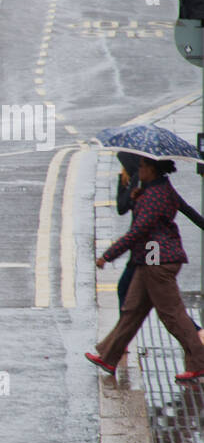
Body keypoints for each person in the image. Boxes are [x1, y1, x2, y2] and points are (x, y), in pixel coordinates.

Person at [88, 158, 204, 384]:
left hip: (158, 260)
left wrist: (107, 255)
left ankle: (199, 362)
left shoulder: (154, 197)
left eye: (141, 167)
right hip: (149, 258)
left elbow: (137, 232)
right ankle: (108, 357)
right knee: (132, 311)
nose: (138, 170)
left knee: (172, 315)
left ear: (151, 169)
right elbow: (184, 209)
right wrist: (137, 197)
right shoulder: (157, 188)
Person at [115, 156, 204, 339]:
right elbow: (122, 207)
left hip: (151, 252)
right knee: (157, 301)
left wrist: (108, 255)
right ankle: (116, 344)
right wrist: (123, 183)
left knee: (162, 302)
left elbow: (184, 209)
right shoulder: (142, 183)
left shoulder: (154, 187)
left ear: (148, 167)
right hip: (144, 251)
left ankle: (197, 335)